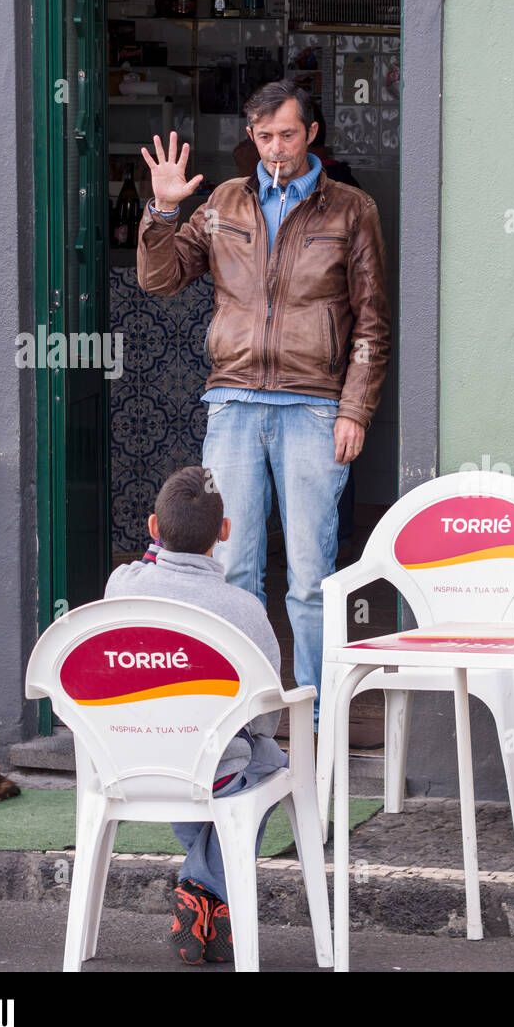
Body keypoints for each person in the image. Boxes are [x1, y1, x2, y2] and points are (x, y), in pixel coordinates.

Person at [137, 80, 389, 731]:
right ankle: (246, 715)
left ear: (311, 135)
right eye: (263, 135)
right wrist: (162, 214)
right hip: (233, 402)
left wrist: (355, 410)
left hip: (312, 407)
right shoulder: (223, 203)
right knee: (231, 567)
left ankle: (317, 721)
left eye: (287, 134)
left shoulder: (351, 209)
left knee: (310, 573)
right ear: (251, 136)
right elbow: (161, 279)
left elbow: (371, 321)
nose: (275, 147)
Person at [105, 467, 286, 965]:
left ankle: (202, 893)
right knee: (266, 758)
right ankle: (210, 889)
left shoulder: (120, 587)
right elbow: (265, 715)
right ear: (225, 531)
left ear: (152, 528)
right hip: (212, 772)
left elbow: (147, 564)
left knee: (202, 759)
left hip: (129, 762)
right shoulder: (244, 610)